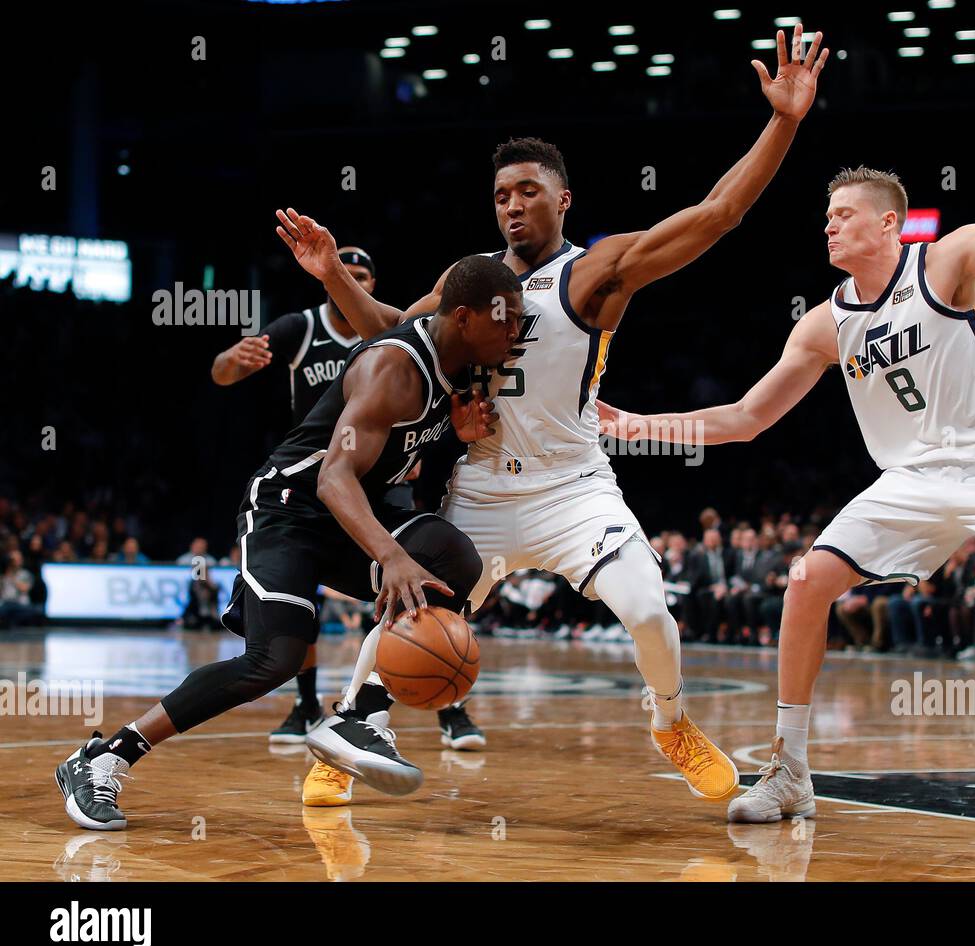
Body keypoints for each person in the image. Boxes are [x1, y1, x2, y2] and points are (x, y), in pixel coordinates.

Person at [601, 66, 975, 822]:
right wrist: (639, 424)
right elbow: (746, 417)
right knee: (804, 583)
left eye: (842, 214)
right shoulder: (825, 322)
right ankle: (791, 769)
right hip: (914, 477)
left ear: (889, 223)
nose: (827, 224)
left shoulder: (947, 261)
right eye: (825, 216)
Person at [276, 26, 830, 804]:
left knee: (646, 609)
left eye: (528, 191)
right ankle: (344, 742)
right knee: (409, 609)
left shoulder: (597, 270)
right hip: (481, 489)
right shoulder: (469, 281)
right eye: (501, 194)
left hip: (573, 485)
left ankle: (669, 719)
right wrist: (333, 273)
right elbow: (396, 336)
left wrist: (784, 121)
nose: (512, 205)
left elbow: (717, 213)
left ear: (562, 199)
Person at [54, 256, 521, 830]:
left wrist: (457, 436)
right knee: (272, 660)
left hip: (352, 515)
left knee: (455, 560)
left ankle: (360, 717)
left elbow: (383, 330)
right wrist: (391, 555)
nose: (516, 332)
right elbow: (333, 478)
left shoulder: (461, 362)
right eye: (507, 320)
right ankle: (104, 758)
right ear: (466, 317)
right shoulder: (394, 370)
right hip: (289, 510)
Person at [210, 246, 436, 745]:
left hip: (387, 479)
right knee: (300, 596)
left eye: (362, 275)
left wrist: (415, 444)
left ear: (371, 285)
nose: (352, 280)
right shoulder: (300, 327)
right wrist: (231, 360)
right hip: (319, 476)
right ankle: (306, 703)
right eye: (344, 272)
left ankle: (447, 710)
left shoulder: (391, 331)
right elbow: (221, 374)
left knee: (426, 571)